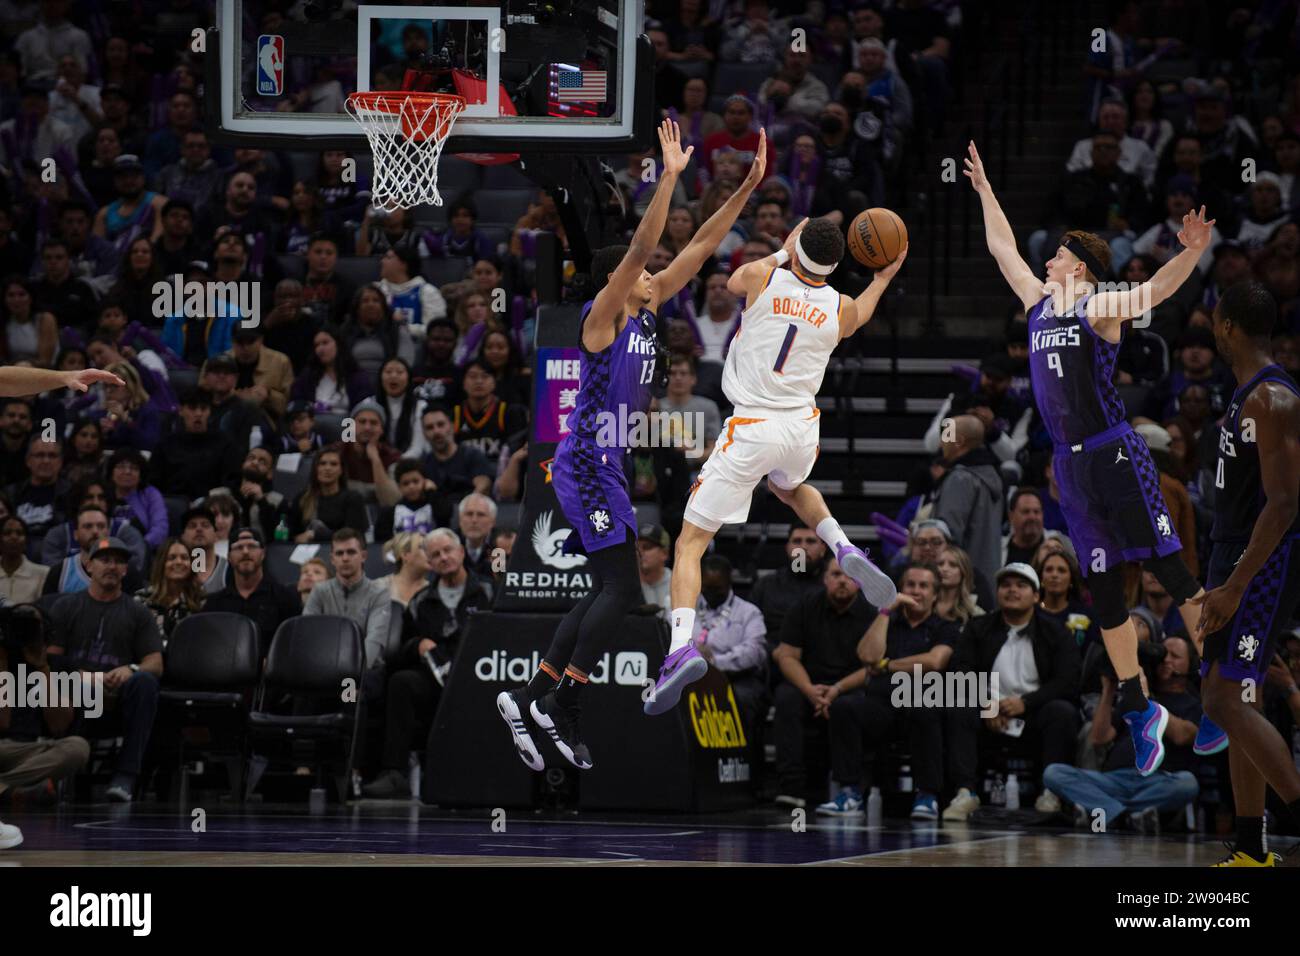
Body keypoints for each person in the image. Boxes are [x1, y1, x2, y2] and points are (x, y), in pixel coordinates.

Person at [965, 139, 1210, 775]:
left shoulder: (1098, 306)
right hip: (1071, 468)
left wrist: (1191, 252)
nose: (1047, 259)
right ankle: (1140, 704)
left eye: (1059, 254)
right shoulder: (1039, 305)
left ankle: (1226, 678)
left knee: (1171, 570)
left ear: (1079, 268)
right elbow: (1002, 249)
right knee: (1101, 590)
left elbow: (1154, 289)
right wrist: (986, 189)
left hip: (1114, 453)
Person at [494, 120, 703, 773]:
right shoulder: (605, 314)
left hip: (600, 466)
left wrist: (745, 191)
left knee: (604, 587)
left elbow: (694, 250)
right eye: (645, 272)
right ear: (625, 279)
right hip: (586, 463)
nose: (657, 274)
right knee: (625, 590)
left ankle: (532, 696)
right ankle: (562, 705)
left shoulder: (646, 313)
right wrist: (666, 177)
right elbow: (644, 246)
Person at [663, 210, 906, 715]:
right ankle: (841, 543)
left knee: (689, 545)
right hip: (800, 428)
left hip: (750, 425)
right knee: (791, 489)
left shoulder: (763, 276)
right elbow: (861, 313)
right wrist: (882, 276)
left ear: (797, 249)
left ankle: (679, 648)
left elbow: (729, 279)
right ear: (838, 264)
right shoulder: (839, 305)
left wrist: (781, 250)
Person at [1190, 282, 1300, 866]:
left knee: (1225, 700)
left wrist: (1237, 585)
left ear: (1228, 326)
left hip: (1263, 558)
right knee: (1230, 697)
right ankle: (1253, 847)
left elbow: (1283, 504)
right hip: (1233, 551)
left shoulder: (1273, 398)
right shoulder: (1243, 395)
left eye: (1214, 318)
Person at [941, 563, 1082, 822]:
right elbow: (959, 672)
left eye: (1021, 585)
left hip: (1033, 714)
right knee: (958, 708)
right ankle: (965, 792)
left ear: (1036, 595)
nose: (1012, 590)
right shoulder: (977, 628)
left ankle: (1051, 792)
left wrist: (1026, 703)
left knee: (1062, 712)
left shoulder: (1056, 632)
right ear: (997, 593)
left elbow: (1067, 682)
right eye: (1006, 585)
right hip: (988, 713)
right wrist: (988, 704)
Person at [819, 562, 958, 819]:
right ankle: (850, 794)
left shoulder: (946, 627)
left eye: (924, 586)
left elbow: (933, 662)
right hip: (882, 705)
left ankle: (927, 796)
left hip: (921, 703)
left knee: (924, 709)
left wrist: (886, 665)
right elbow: (866, 658)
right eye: (910, 585)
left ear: (936, 594)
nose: (916, 590)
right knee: (845, 708)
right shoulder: (888, 622)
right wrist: (885, 611)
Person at [362, 528, 490, 798]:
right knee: (401, 682)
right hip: (435, 679)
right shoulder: (420, 601)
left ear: (461, 552)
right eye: (435, 554)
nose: (443, 558)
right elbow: (399, 653)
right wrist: (416, 644)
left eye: (448, 551)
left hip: (480, 677)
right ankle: (394, 773)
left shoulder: (488, 592)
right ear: (429, 563)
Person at [48, 535, 163, 802]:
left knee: (145, 682)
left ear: (125, 570)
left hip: (117, 695)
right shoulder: (66, 605)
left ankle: (125, 777)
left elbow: (155, 662)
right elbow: (50, 659)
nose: (112, 566)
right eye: (105, 560)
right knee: (63, 681)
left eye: (119, 562)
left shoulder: (138, 612)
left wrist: (131, 669)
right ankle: (65, 773)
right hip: (75, 691)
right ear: (89, 565)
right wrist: (81, 675)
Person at [770, 557, 875, 807]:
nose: (842, 581)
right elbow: (787, 655)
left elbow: (874, 667)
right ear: (825, 579)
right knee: (786, 698)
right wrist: (809, 690)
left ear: (860, 582)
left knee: (847, 706)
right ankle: (792, 788)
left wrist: (837, 690)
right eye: (836, 575)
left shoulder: (871, 612)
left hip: (853, 687)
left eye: (849, 576)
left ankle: (848, 790)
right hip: (810, 684)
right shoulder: (805, 606)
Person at [0, 604, 90, 819]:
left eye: (32, 627)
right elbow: (2, 722)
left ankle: (4, 788)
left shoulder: (60, 666)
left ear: (45, 632)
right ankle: (10, 791)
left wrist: (43, 669)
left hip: (33, 750)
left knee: (78, 747)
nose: (24, 632)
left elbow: (59, 726)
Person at [204, 527, 301, 658]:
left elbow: (294, 644)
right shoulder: (214, 605)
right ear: (229, 557)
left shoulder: (286, 598)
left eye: (252, 546)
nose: (245, 552)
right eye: (238, 547)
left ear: (263, 553)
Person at [303, 528, 391, 671]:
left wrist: (352, 673)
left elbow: (374, 641)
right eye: (339, 553)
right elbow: (309, 635)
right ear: (332, 559)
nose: (345, 558)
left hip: (364, 670)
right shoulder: (319, 591)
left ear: (363, 556)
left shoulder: (379, 593)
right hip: (324, 667)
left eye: (351, 552)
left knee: (347, 692)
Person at [151, 388, 241, 501]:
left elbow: (231, 482)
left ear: (210, 412)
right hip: (173, 505)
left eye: (203, 409)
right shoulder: (165, 445)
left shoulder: (224, 444)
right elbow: (154, 483)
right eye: (192, 408)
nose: (198, 414)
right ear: (181, 411)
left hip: (212, 505)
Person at [748, 525, 827, 639]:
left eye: (811, 541)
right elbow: (750, 629)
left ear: (823, 549)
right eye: (797, 541)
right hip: (773, 652)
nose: (803, 547)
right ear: (787, 548)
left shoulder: (833, 585)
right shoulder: (766, 585)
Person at [288, 445, 369, 543]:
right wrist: (297, 538)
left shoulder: (353, 499)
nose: (327, 468)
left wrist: (316, 535)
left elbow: (353, 536)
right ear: (315, 469)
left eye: (333, 464)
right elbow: (291, 534)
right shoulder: (303, 499)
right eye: (322, 463)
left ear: (341, 470)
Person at [133, 537, 204, 644]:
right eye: (172, 558)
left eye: (184, 558)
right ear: (161, 563)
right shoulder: (141, 600)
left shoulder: (200, 600)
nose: (179, 562)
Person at [105, 447, 167, 549]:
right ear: (111, 473)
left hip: (142, 551)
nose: (127, 472)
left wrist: (139, 546)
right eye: (121, 467)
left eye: (134, 468)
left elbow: (160, 528)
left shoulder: (150, 494)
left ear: (141, 475)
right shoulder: (102, 494)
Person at [0, 515, 48, 603]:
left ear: (26, 541)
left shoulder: (43, 574)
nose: (14, 537)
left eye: (19, 533)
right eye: (7, 533)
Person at [457, 492, 496, 580]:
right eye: (469, 514)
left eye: (481, 515)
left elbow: (500, 580)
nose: (474, 520)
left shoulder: (500, 547)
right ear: (460, 520)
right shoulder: (450, 544)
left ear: (493, 521)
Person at [636, 524, 672, 616]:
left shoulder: (679, 584)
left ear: (664, 553)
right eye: (636, 548)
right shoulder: (624, 585)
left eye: (646, 547)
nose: (640, 552)